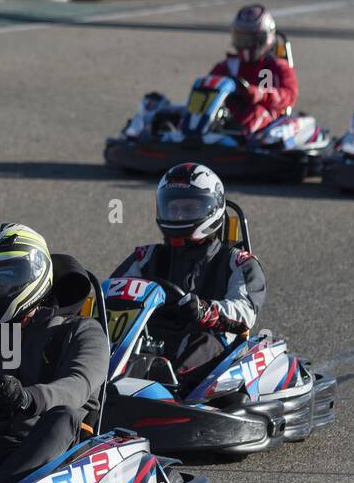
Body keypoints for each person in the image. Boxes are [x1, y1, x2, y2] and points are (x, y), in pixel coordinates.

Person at [0, 223, 109, 483]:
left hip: (50, 445)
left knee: (63, 417)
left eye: (3, 278)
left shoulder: (82, 331)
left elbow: (78, 386)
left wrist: (30, 397)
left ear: (35, 274)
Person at [111, 163, 265, 390]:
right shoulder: (148, 257)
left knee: (197, 346)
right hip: (151, 337)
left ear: (212, 208)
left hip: (210, 341)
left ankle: (165, 396)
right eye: (174, 209)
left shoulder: (238, 262)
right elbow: (113, 292)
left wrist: (205, 310)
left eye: (190, 208)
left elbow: (244, 312)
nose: (180, 215)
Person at [207, 4, 298, 135]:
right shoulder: (226, 66)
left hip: (267, 123)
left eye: (251, 40)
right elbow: (210, 88)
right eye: (242, 39)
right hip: (227, 116)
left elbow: (290, 96)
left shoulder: (278, 67)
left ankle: (238, 138)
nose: (246, 44)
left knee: (257, 113)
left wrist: (259, 94)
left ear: (266, 37)